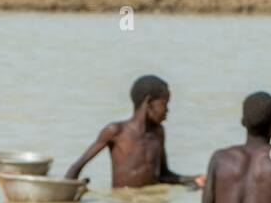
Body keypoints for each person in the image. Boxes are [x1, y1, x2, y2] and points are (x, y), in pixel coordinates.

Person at [64, 75, 203, 188]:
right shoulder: (116, 131)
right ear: (149, 102)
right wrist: (64, 195)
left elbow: (164, 175)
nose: (167, 110)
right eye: (164, 104)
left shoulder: (158, 133)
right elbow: (77, 167)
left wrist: (194, 179)